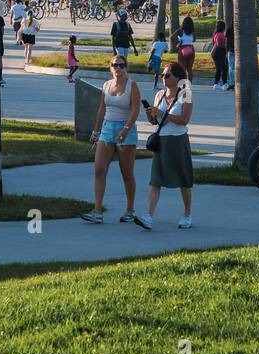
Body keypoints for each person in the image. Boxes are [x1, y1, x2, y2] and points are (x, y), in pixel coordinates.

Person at [134, 61, 194, 231]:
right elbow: (155, 122)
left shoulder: (185, 94)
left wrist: (163, 114)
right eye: (163, 75)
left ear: (178, 77)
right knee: (155, 180)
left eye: (167, 75)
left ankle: (187, 214)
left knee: (184, 180)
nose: (164, 78)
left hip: (178, 141)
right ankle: (148, 216)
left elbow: (184, 120)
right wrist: (151, 116)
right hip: (162, 141)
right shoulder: (159, 94)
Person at [81, 56, 141, 224]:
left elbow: (136, 110)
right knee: (99, 169)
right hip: (107, 128)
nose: (118, 68)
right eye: (115, 65)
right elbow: (102, 108)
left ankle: (130, 210)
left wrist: (125, 131)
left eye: (121, 65)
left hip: (126, 129)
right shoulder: (106, 85)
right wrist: (96, 130)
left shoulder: (132, 86)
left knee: (127, 173)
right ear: (110, 68)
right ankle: (97, 210)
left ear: (126, 68)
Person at [210, 20, 227, 88]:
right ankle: (223, 83)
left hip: (216, 52)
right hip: (219, 52)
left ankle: (217, 83)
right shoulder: (219, 34)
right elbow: (219, 43)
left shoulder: (217, 33)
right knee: (223, 67)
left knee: (220, 68)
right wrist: (226, 46)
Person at [179, 15, 196, 80]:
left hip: (183, 48)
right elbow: (194, 40)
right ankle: (189, 84)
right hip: (191, 48)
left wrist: (179, 42)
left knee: (183, 69)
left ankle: (183, 84)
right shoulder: (193, 32)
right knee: (190, 69)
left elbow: (172, 37)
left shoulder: (180, 31)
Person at [225, 21, 235, 90]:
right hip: (239, 51)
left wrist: (226, 51)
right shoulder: (242, 28)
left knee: (231, 67)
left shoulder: (229, 29)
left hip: (231, 50)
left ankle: (232, 83)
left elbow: (227, 41)